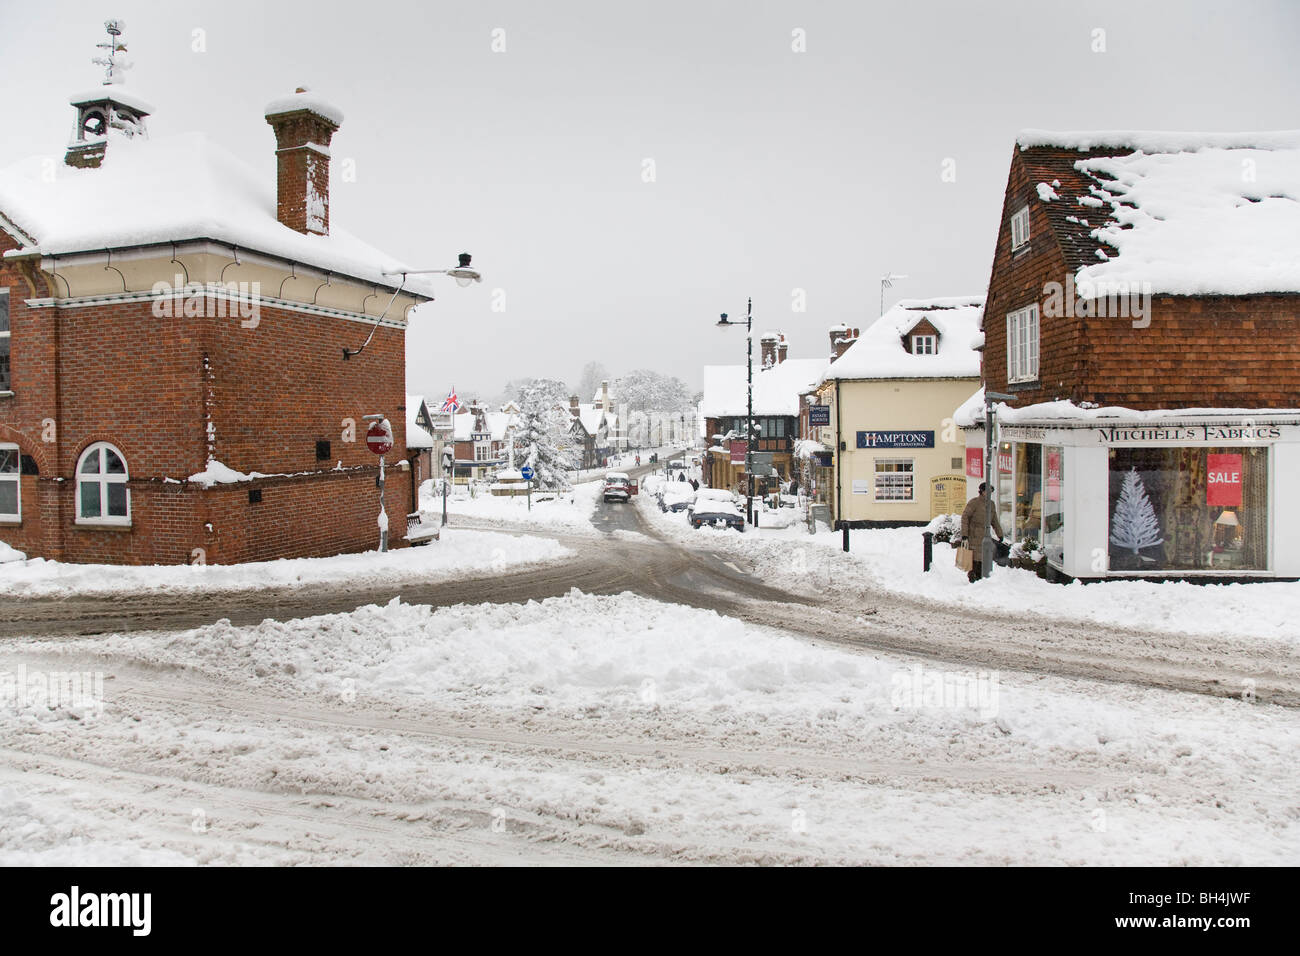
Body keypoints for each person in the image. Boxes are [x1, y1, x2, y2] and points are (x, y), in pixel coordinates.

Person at [959, 482, 1005, 583]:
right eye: (987, 491)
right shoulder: (974, 502)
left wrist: (1000, 534)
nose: (989, 494)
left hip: (985, 535)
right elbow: (965, 517)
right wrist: (965, 535)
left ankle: (980, 579)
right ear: (982, 491)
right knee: (974, 557)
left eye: (990, 492)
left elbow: (994, 521)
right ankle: (973, 577)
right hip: (974, 534)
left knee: (983, 557)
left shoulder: (991, 505)